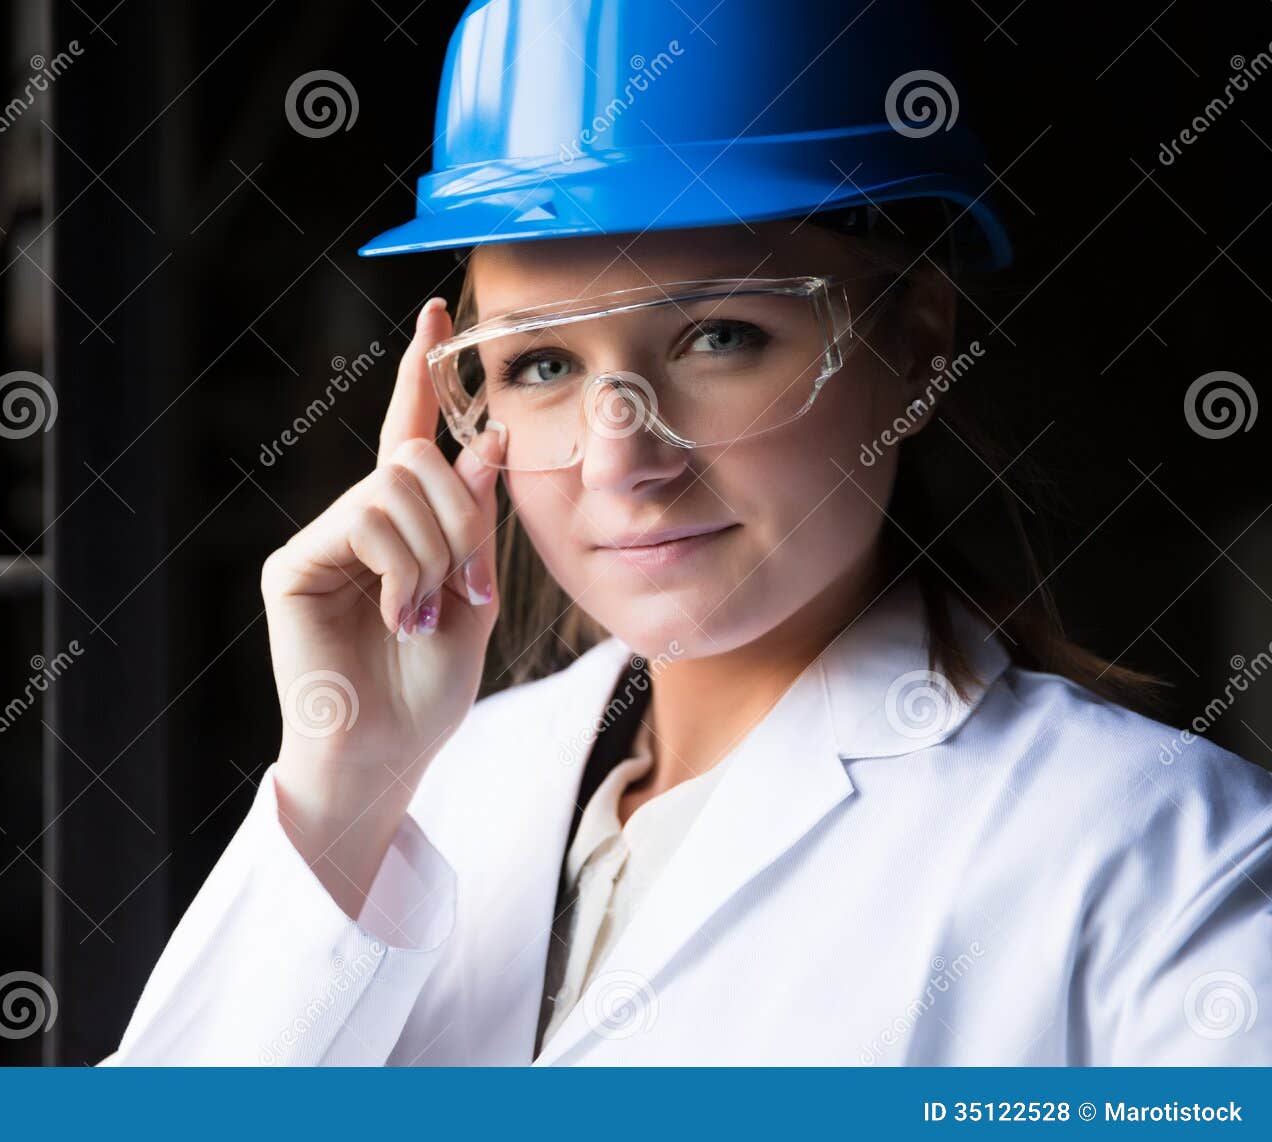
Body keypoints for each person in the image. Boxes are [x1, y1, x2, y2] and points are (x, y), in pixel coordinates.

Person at [102, 0, 1272, 1065]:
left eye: (718, 337)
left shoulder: (1160, 860)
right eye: (542, 364)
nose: (622, 457)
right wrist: (342, 784)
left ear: (915, 342)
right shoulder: (430, 789)